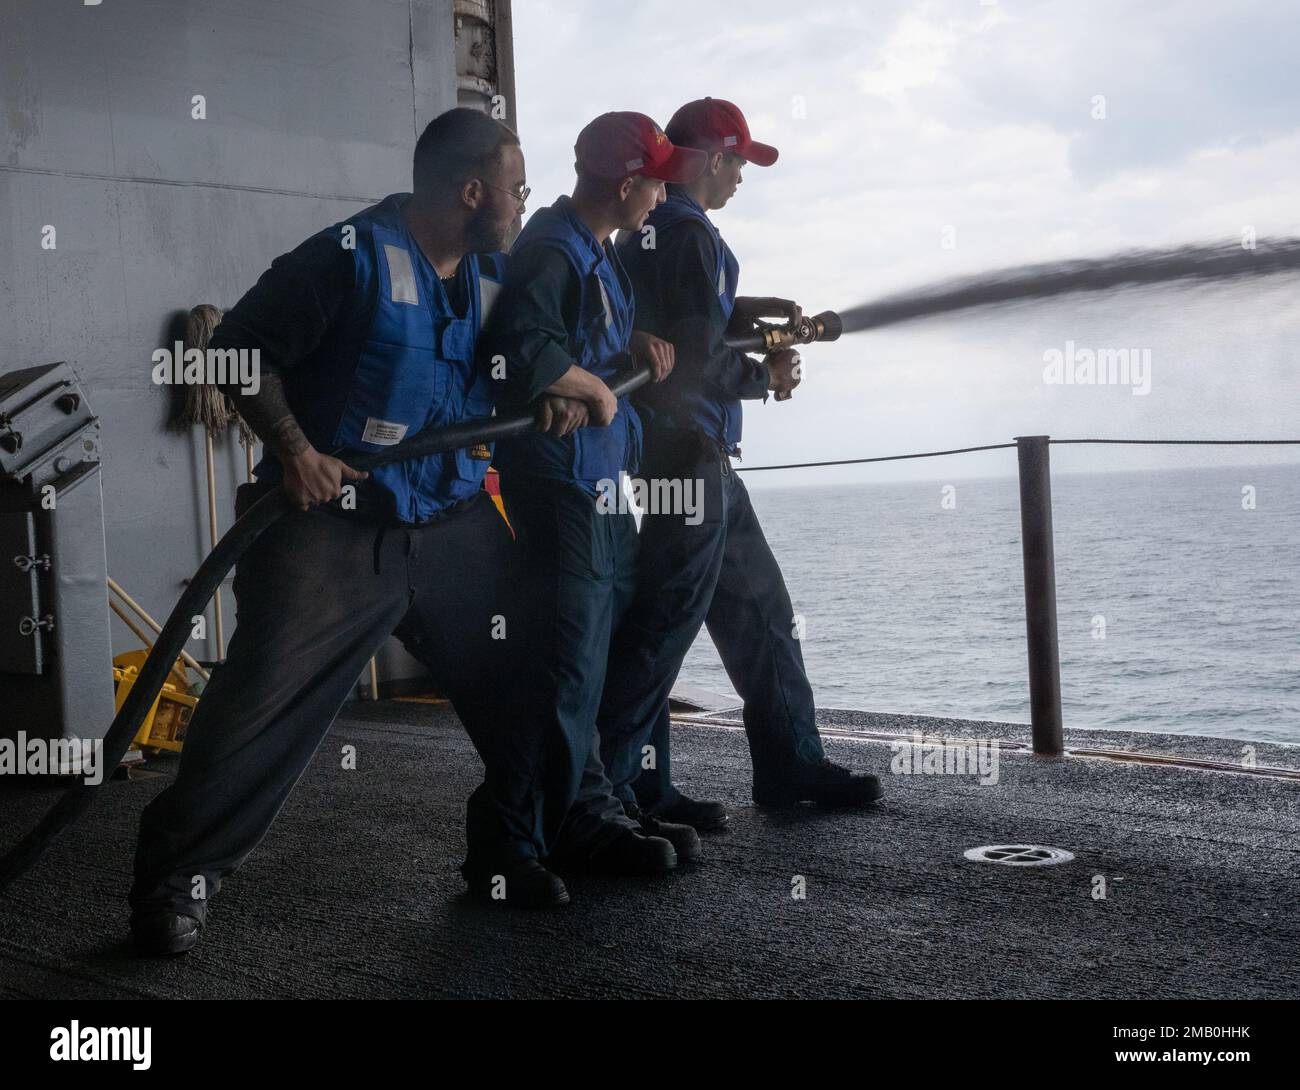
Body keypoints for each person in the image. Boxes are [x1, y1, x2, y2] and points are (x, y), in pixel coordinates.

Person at [129, 107, 621, 957]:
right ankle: (174, 889)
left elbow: (489, 370)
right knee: (259, 714)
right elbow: (237, 352)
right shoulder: (347, 258)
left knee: (535, 675)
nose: (523, 203)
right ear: (473, 192)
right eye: (516, 189)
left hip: (454, 524)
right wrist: (294, 451)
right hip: (334, 529)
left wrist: (539, 397)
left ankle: (508, 853)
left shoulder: (488, 273)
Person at [599, 98, 884, 830]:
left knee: (760, 614)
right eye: (738, 162)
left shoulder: (653, 232)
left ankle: (788, 764)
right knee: (663, 624)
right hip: (687, 457)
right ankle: (605, 790)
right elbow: (692, 363)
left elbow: (684, 320)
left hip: (687, 459)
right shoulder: (689, 234)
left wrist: (752, 317)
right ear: (711, 159)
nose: (741, 178)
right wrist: (767, 377)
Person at [480, 112, 708, 873]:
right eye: (657, 183)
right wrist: (589, 387)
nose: (662, 197)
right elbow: (519, 348)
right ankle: (553, 831)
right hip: (563, 487)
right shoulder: (551, 250)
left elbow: (583, 336)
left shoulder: (597, 251)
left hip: (604, 487)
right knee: (566, 668)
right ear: (627, 183)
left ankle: (603, 805)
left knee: (601, 655)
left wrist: (629, 346)